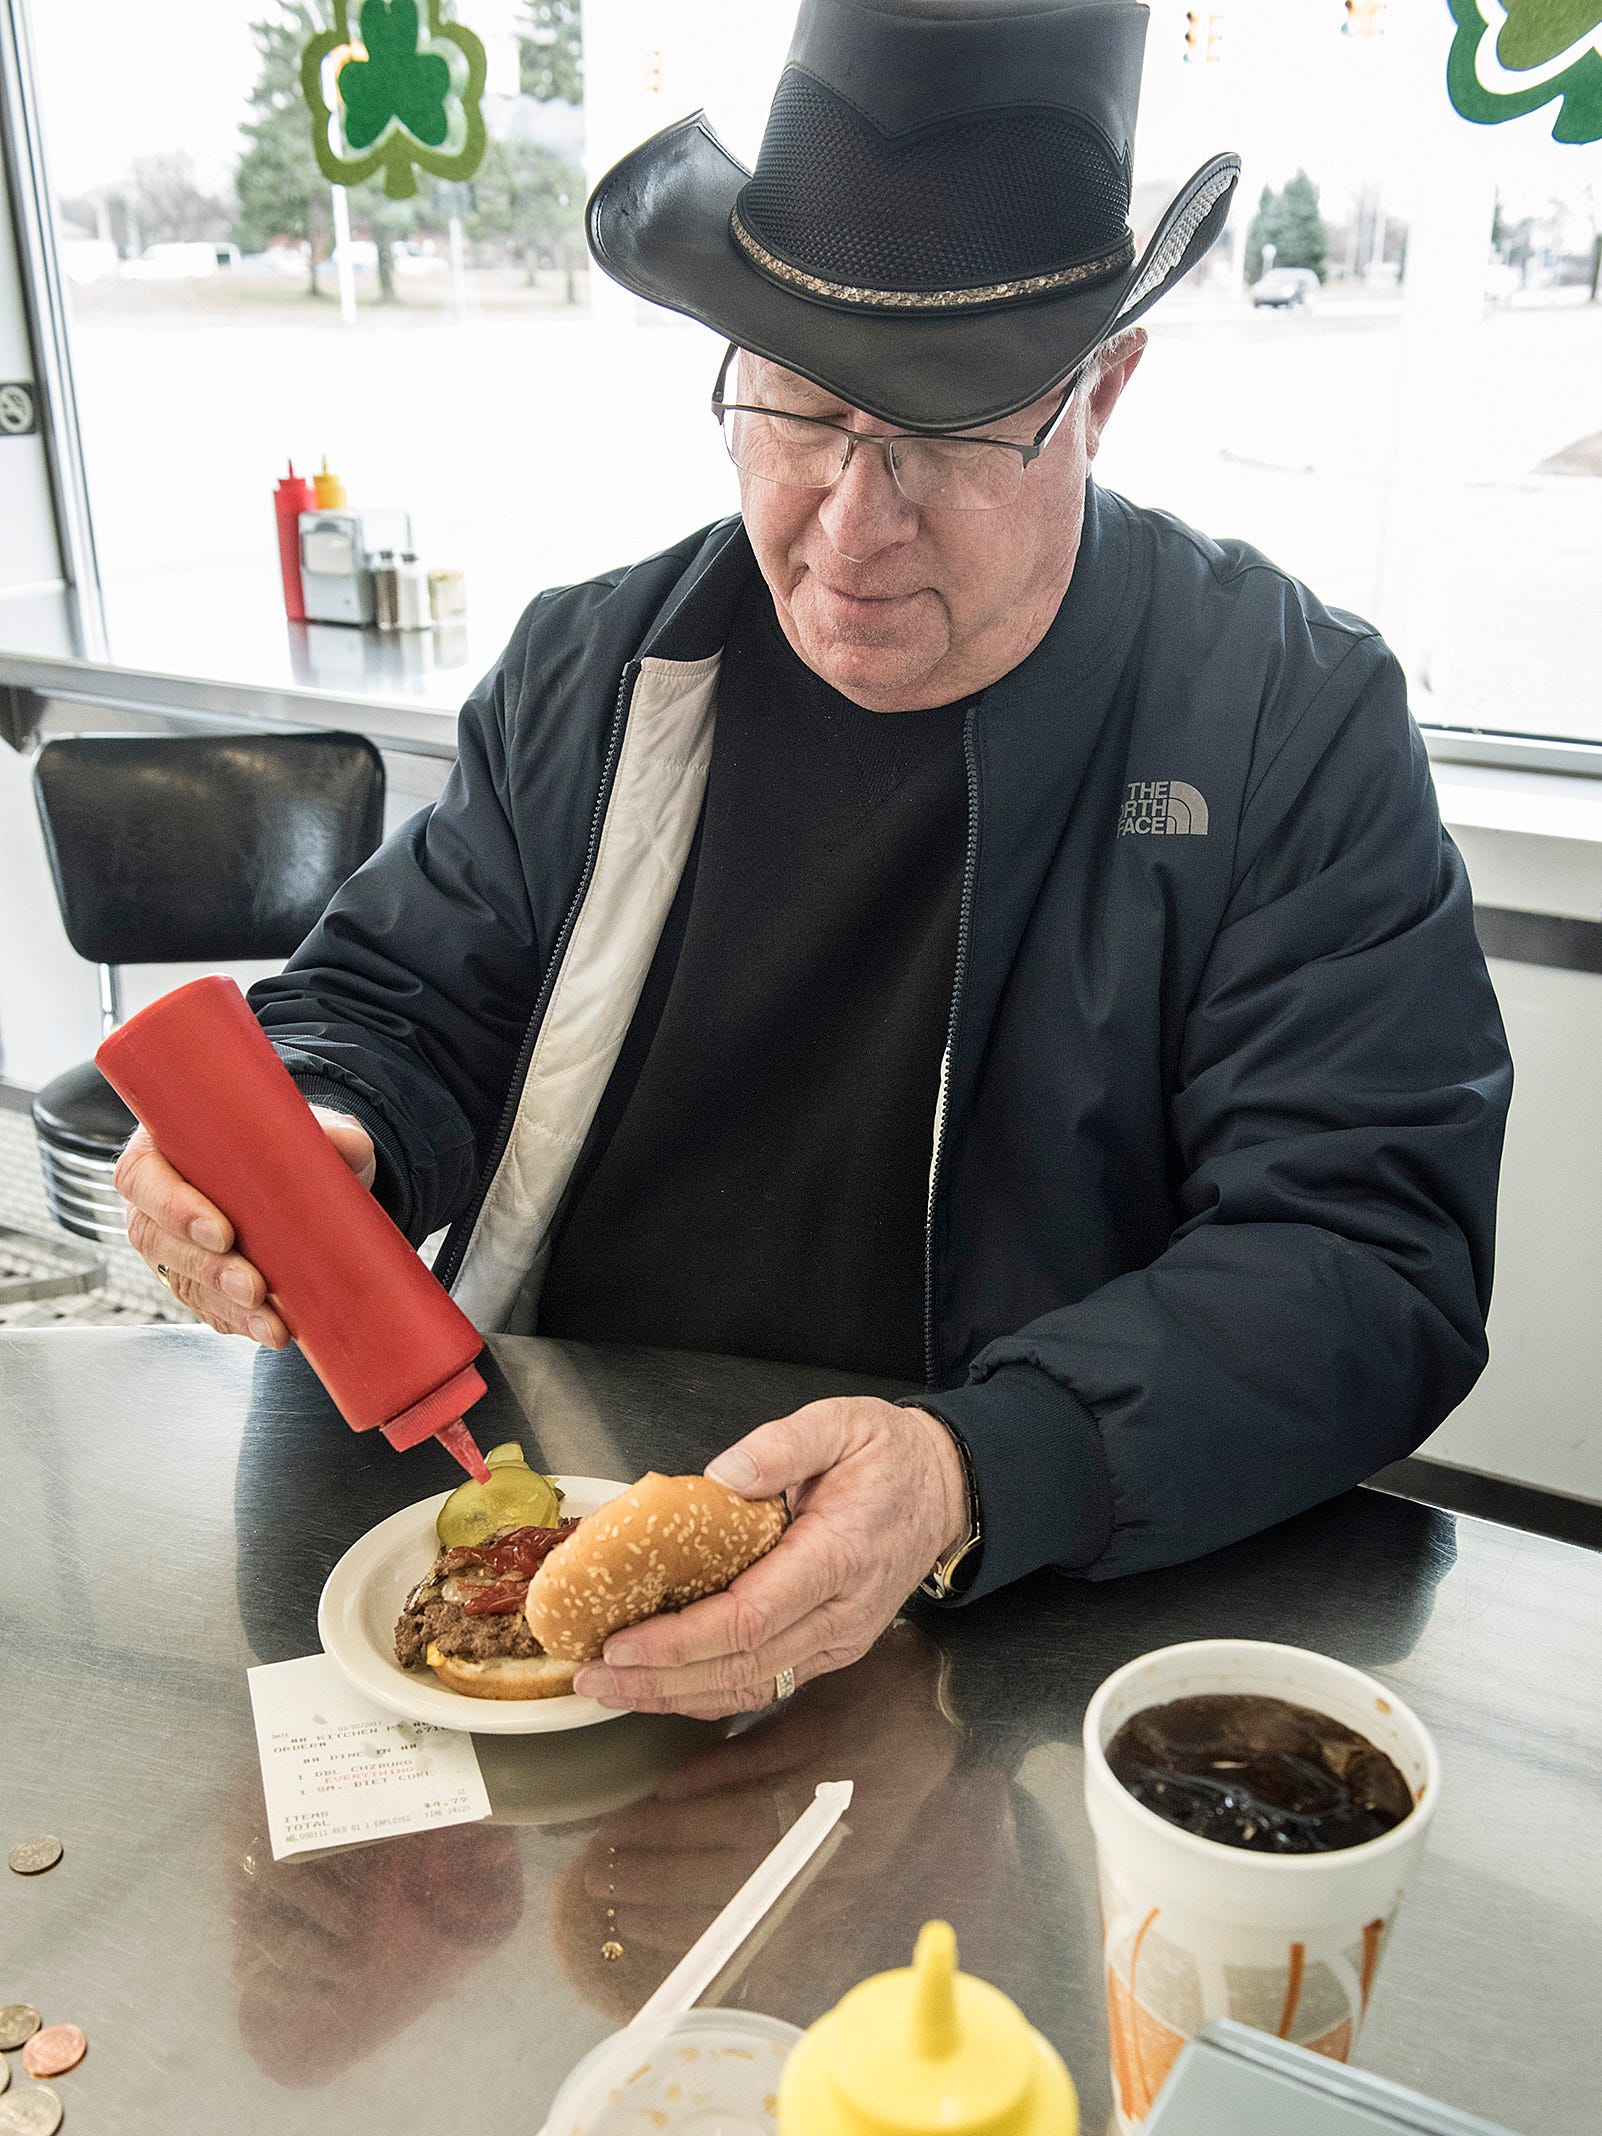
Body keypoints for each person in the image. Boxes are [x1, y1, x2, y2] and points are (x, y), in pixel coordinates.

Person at [114, 0, 1510, 1718]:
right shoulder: (598, 667)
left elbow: (1367, 1258)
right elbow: (405, 999)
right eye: (797, 409)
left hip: (1018, 1614)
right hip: (549, 1541)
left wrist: (980, 1467)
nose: (852, 524)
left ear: (1106, 389)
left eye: (948, 428)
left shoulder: (1282, 718)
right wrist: (332, 1131)